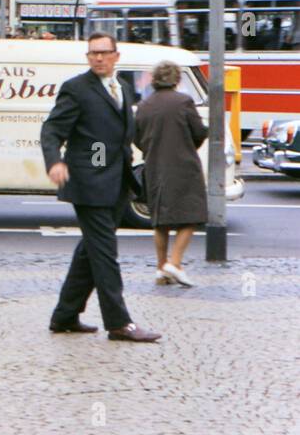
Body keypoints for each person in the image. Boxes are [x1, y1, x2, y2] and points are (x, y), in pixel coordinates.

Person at [41, 32, 160, 342]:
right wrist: (54, 161)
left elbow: (122, 133)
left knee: (90, 251)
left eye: (104, 53)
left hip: (118, 181)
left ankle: (64, 315)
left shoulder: (122, 87)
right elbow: (52, 129)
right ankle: (119, 323)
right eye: (92, 53)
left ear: (116, 56)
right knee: (105, 253)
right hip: (88, 183)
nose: (98, 58)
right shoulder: (76, 89)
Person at [136, 60, 208, 288]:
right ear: (177, 80)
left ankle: (160, 268)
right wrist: (190, 143)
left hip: (154, 166)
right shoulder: (183, 101)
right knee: (193, 215)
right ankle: (175, 263)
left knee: (160, 221)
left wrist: (151, 151)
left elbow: (136, 137)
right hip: (183, 166)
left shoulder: (145, 105)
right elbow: (198, 131)